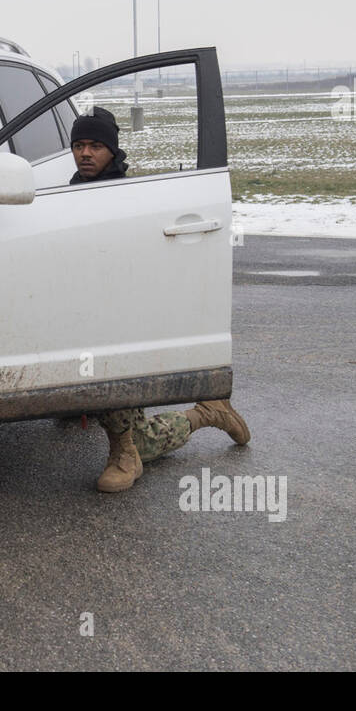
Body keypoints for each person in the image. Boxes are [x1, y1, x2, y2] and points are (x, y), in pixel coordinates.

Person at [69, 107, 251, 492]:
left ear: (113, 151)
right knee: (142, 432)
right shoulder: (67, 195)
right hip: (81, 314)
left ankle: (195, 419)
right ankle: (136, 435)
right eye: (79, 145)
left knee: (138, 433)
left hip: (121, 322)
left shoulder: (128, 198)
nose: (86, 154)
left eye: (96, 146)